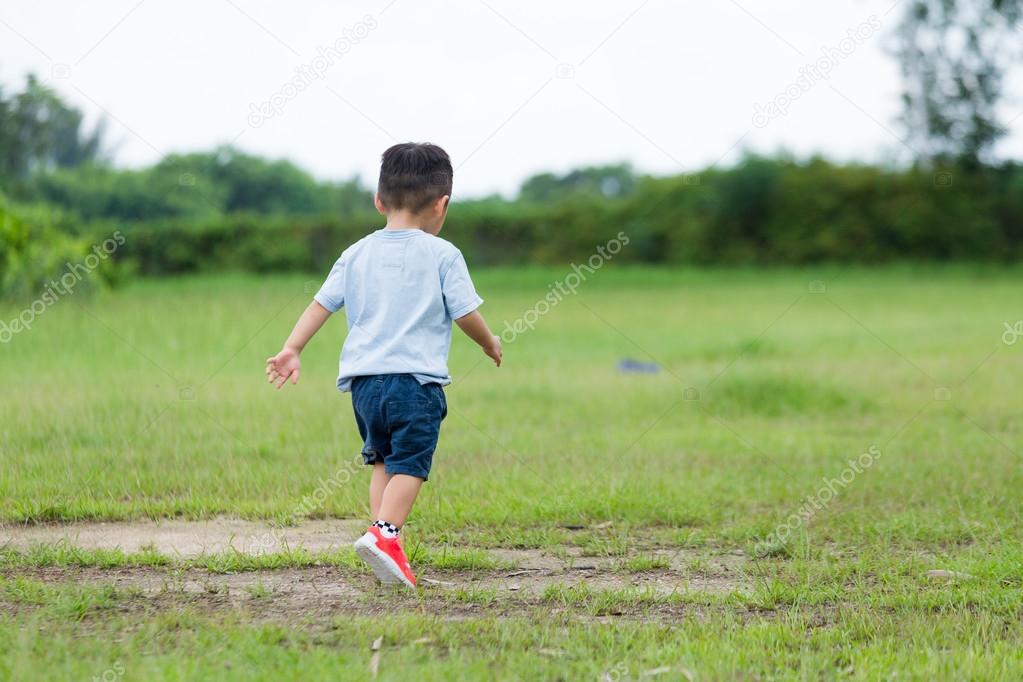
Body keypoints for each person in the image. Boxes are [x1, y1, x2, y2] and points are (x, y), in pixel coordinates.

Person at [265, 142, 502, 588]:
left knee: (383, 462)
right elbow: (465, 312)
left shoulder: (355, 252)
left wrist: (292, 347)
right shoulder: (443, 254)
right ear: (442, 204)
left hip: (364, 387)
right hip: (415, 385)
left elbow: (321, 304)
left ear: (379, 200)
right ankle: (385, 534)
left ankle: (384, 547)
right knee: (411, 464)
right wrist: (489, 343)